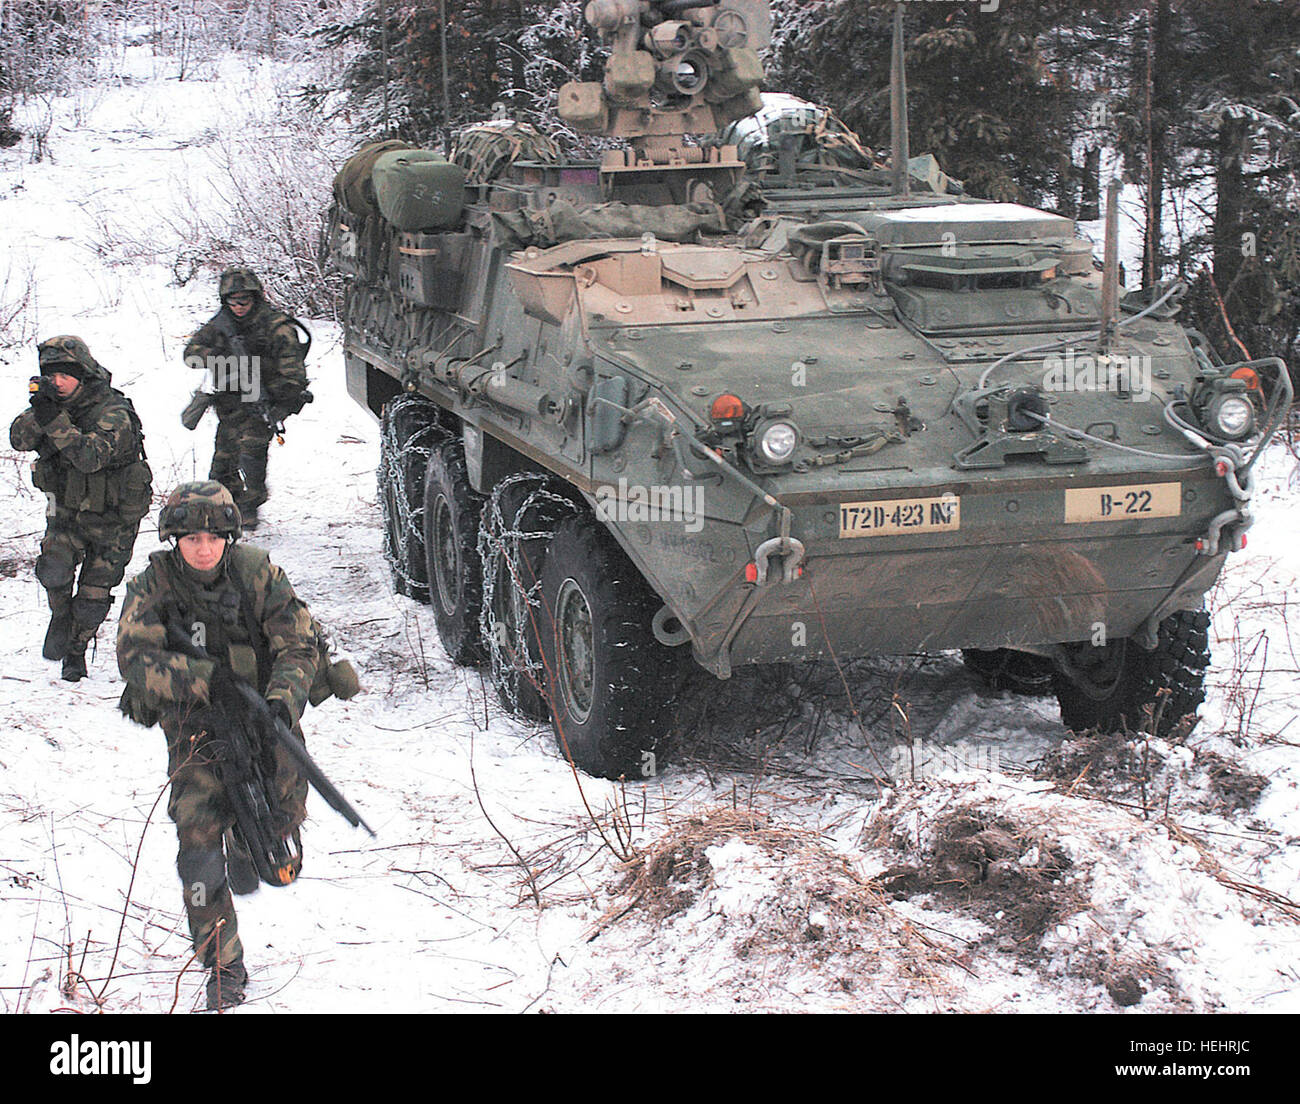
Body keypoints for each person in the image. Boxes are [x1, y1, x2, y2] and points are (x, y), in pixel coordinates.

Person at [116, 481, 320, 1011]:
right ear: (173, 540)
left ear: (228, 537)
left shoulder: (258, 572)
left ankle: (245, 841)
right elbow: (134, 659)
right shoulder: (153, 584)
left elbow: (299, 644)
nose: (203, 548)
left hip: (263, 722)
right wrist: (206, 679)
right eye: (191, 538)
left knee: (279, 831)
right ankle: (223, 964)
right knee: (199, 851)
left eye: (213, 537)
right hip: (196, 730)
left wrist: (280, 703)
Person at [9, 335, 152, 681]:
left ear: (83, 373)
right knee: (53, 572)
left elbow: (89, 457)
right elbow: (18, 439)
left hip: (113, 518)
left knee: (93, 595)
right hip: (68, 511)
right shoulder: (51, 405)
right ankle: (61, 616)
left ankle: (76, 649)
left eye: (65, 375)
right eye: (50, 374)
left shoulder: (113, 411)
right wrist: (38, 412)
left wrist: (53, 419)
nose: (57, 382)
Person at [182, 267, 310, 531]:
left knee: (252, 456)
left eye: (245, 301)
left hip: (262, 397)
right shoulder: (220, 325)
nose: (239, 307)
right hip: (230, 401)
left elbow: (293, 374)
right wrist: (221, 358)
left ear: (256, 298)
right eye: (233, 301)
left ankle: (250, 506)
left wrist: (280, 400)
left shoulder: (277, 327)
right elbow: (190, 355)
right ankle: (226, 509)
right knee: (223, 461)